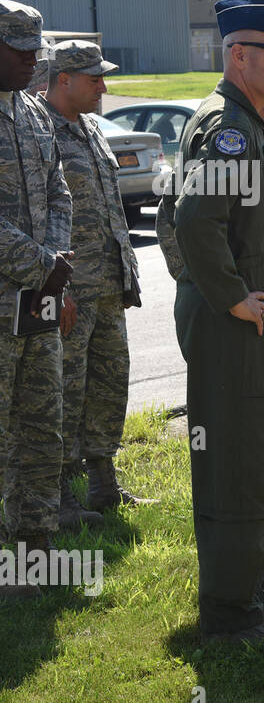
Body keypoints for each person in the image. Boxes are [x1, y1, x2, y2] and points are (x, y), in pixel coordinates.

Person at [158, 0, 264, 644]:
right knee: (234, 469)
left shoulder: (248, 126)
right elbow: (194, 220)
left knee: (256, 461)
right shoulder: (228, 128)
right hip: (233, 333)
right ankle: (230, 617)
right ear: (238, 56)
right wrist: (232, 297)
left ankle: (251, 595)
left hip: (251, 332)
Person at [37, 41, 154, 525]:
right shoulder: (40, 133)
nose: (103, 88)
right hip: (69, 292)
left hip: (107, 287)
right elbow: (39, 216)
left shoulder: (90, 131)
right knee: (64, 391)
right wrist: (55, 287)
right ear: (63, 79)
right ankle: (61, 497)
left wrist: (125, 275)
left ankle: (104, 483)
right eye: (93, 79)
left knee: (109, 385)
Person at [0, 0, 74, 598]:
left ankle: (37, 548)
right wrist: (44, 263)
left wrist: (53, 262)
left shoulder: (32, 113)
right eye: (18, 50)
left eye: (34, 50)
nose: (31, 61)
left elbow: (59, 192)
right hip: (9, 298)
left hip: (38, 302)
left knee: (42, 425)